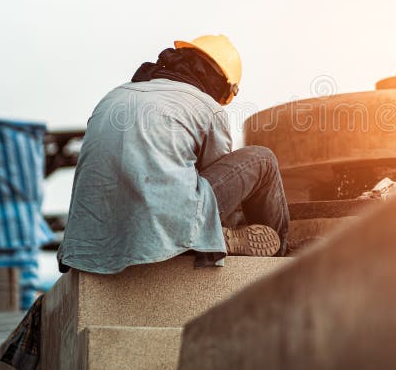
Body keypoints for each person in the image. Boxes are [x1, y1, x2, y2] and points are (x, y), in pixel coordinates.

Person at [58, 35, 290, 274]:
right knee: (263, 159)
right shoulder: (206, 107)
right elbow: (218, 180)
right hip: (167, 224)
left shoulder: (114, 96)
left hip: (87, 240)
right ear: (222, 85)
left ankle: (198, 236)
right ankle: (278, 264)